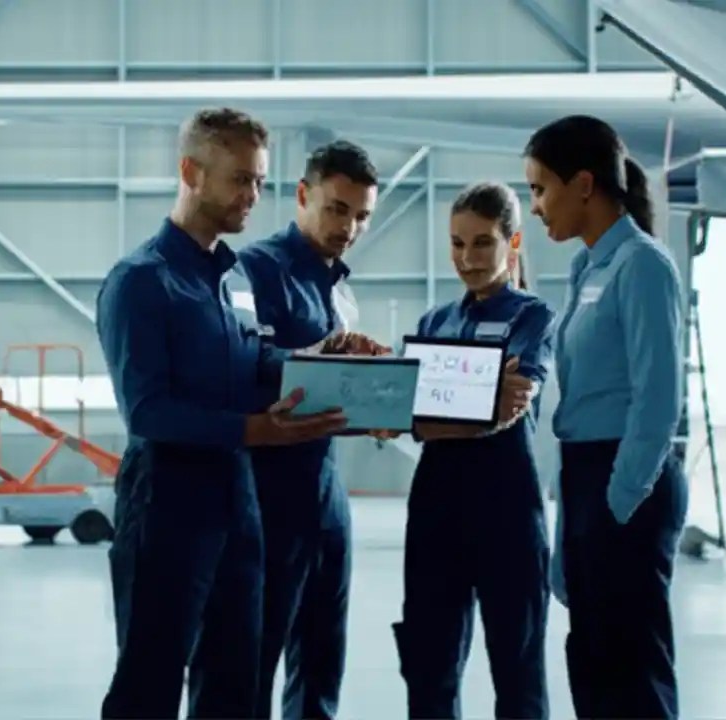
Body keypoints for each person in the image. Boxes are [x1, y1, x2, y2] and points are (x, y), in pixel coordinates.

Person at [95, 107, 353, 719]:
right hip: (166, 502)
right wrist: (254, 429)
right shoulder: (140, 281)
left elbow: (252, 357)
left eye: (261, 181)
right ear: (191, 171)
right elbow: (148, 410)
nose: (253, 197)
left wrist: (313, 357)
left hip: (238, 499)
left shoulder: (233, 278)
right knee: (150, 679)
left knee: (236, 678)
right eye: (241, 180)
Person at [524, 114, 689, 720]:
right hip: (588, 475)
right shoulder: (588, 267)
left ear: (585, 185)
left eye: (541, 188)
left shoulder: (643, 265)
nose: (535, 206)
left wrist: (619, 502)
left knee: (632, 668)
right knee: (590, 656)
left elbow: (658, 396)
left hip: (628, 476)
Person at [390, 181, 554, 720]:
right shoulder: (435, 323)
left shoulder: (534, 317)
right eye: (457, 244)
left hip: (507, 505)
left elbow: (507, 409)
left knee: (517, 665)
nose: (468, 258)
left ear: (514, 241)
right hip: (437, 506)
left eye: (482, 243)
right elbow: (399, 412)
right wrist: (473, 400)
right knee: (428, 661)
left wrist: (428, 414)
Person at [236, 140, 388, 720]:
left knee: (323, 653)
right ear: (303, 195)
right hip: (270, 492)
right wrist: (321, 355)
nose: (349, 227)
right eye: (337, 208)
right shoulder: (256, 270)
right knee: (257, 651)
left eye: (362, 215)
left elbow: (331, 389)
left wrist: (375, 387)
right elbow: (249, 368)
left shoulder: (338, 289)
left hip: (327, 491)